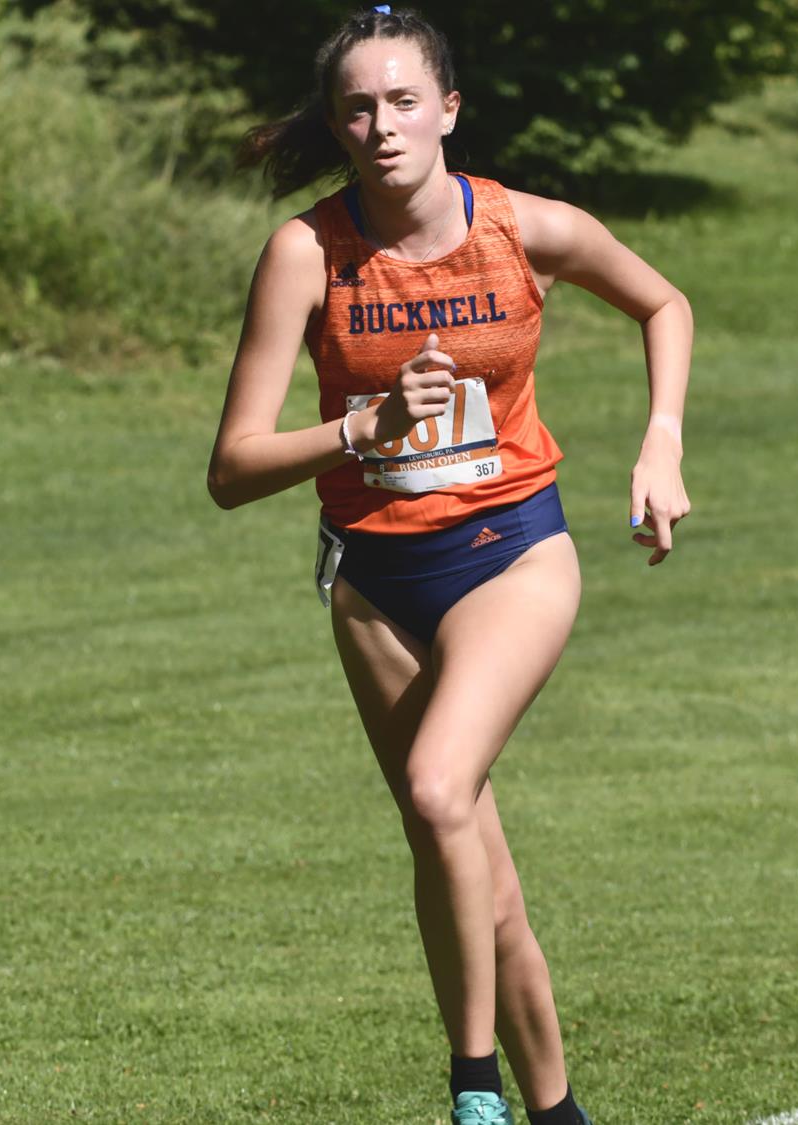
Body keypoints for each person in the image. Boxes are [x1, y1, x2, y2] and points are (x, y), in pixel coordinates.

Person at [206, 7, 691, 1123]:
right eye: (358, 109)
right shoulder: (306, 253)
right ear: (337, 125)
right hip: (375, 587)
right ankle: (557, 1113)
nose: (382, 125)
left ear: (448, 111)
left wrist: (659, 442)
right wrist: (358, 430)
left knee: (436, 788)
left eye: (403, 101)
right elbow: (232, 468)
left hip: (510, 553)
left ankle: (474, 1090)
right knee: (472, 860)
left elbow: (662, 302)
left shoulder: (526, 228)